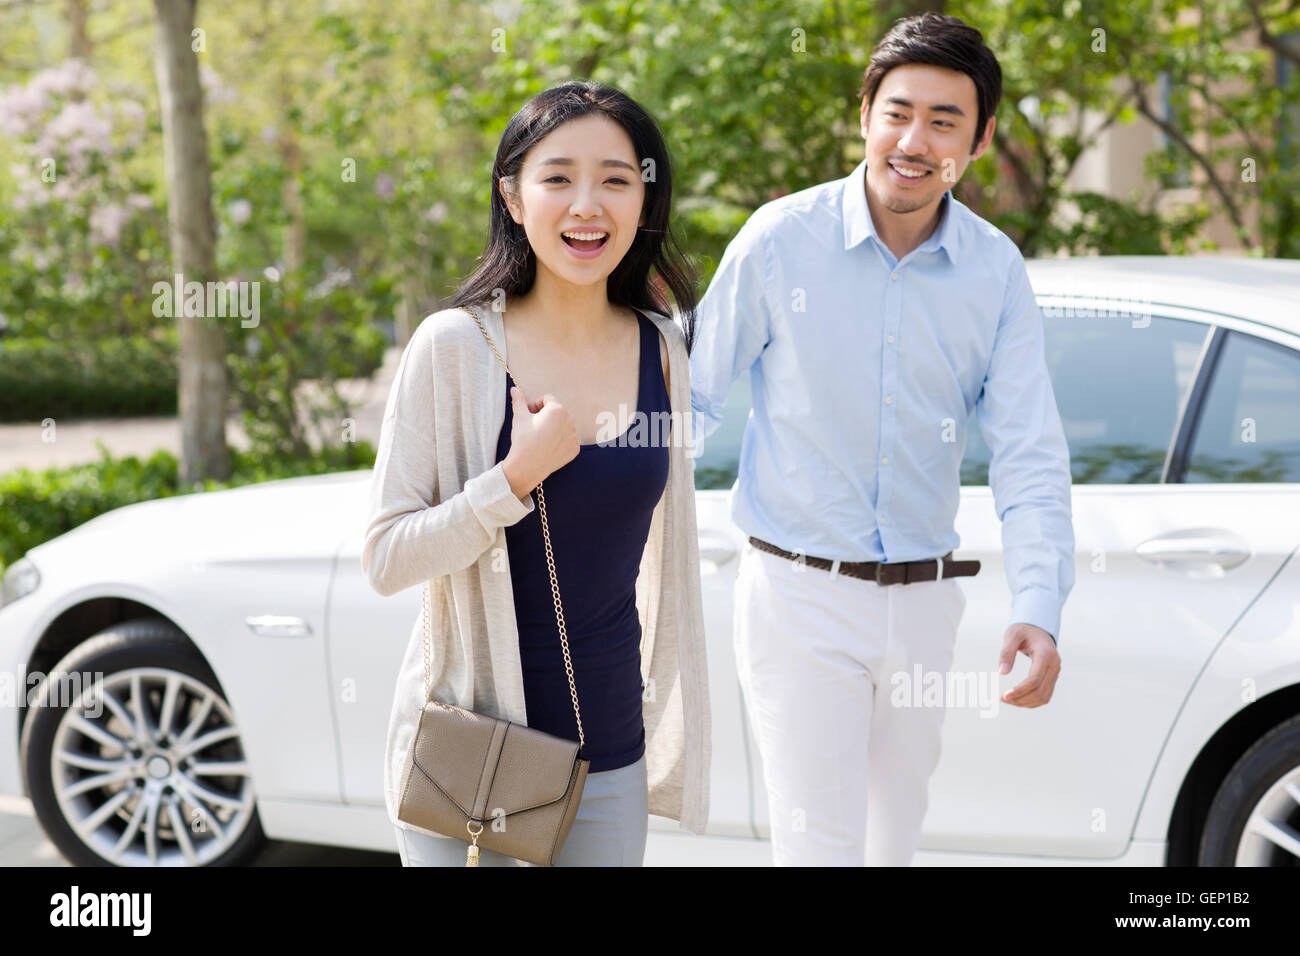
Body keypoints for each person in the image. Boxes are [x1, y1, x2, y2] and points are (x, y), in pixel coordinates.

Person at [689, 12, 1075, 866]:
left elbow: (1029, 454)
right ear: (863, 112)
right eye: (898, 111)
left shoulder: (995, 271)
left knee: (889, 849)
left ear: (978, 140)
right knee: (818, 849)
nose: (915, 138)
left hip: (926, 601)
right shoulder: (780, 240)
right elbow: (689, 399)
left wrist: (1039, 607)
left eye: (945, 120)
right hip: (798, 593)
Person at [362, 80, 710, 866]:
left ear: (645, 203)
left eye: (616, 180)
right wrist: (512, 479)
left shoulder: (662, 349)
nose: (588, 204)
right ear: (513, 197)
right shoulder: (453, 348)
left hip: (610, 753)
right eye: (558, 178)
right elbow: (386, 558)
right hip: (471, 754)